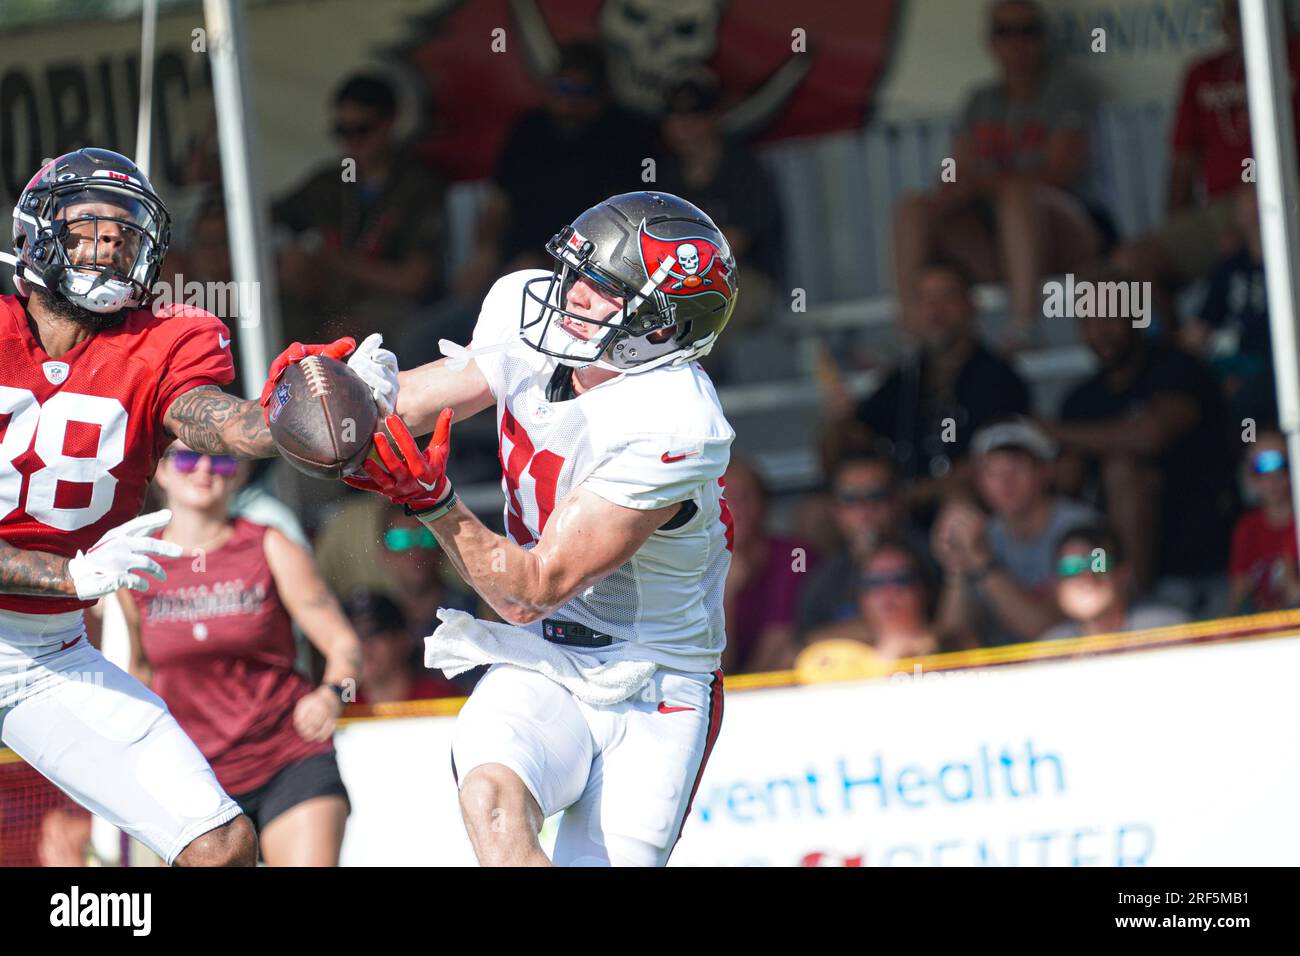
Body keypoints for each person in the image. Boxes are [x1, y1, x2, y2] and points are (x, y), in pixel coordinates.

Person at [302, 191, 738, 867]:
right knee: (491, 797)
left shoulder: (674, 421)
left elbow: (533, 588)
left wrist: (434, 502)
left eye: (603, 288)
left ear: (661, 328)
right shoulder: (526, 307)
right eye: (579, 271)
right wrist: (330, 400)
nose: (573, 294)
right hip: (540, 656)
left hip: (654, 680)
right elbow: (422, 398)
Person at [0, 147, 394, 867]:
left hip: (40, 656)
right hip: (55, 606)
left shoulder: (167, 336)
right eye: (89, 228)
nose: (109, 246)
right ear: (34, 235)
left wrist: (314, 406)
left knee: (218, 845)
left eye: (123, 234)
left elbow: (221, 422)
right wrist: (64, 577)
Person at [118, 442, 360, 866]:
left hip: (288, 759)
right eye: (189, 457)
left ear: (240, 472)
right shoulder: (136, 567)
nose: (205, 469)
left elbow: (345, 646)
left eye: (221, 457)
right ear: (160, 471)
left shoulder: (271, 546)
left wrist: (333, 695)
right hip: (189, 776)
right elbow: (139, 671)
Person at [892, 0, 1106, 347]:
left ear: (1043, 38)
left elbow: (1059, 173)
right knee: (912, 207)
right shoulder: (980, 101)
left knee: (1018, 193)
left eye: (1028, 32)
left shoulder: (1066, 89)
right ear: (991, 41)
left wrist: (983, 183)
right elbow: (954, 173)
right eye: (1005, 32)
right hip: (994, 241)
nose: (1017, 42)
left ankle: (1025, 324)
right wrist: (955, 189)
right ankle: (910, 327)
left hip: (1066, 231)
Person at [1109, 1, 1300, 315]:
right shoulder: (1203, 73)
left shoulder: (1294, 58)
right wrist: (1176, 223)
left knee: (1249, 215)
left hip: (1286, 201)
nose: (1240, 22)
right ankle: (1182, 353)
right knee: (1130, 262)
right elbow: (1182, 161)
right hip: (1218, 210)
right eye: (1234, 13)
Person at [1044, 314, 1236, 612]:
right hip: (1112, 554)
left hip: (1202, 552)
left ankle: (1131, 603)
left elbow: (1150, 436)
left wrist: (1048, 429)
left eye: (1108, 320)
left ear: (1135, 318)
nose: (1100, 332)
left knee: (1124, 469)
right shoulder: (1081, 398)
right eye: (1089, 323)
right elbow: (1067, 481)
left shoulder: (1179, 368)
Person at [823, 258, 1031, 514]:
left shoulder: (1000, 378)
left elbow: (998, 460)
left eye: (947, 296)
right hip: (902, 512)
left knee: (959, 501)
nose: (935, 311)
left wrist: (917, 493)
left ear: (972, 306)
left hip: (973, 513)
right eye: (925, 299)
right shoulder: (906, 377)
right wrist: (840, 422)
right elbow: (855, 442)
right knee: (820, 513)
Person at [274, 72, 447, 345]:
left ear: (390, 122)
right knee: (266, 310)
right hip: (328, 299)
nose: (351, 141)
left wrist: (337, 262)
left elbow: (413, 281)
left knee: (341, 333)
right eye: (342, 131)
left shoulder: (419, 186)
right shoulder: (328, 183)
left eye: (363, 130)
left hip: (394, 306)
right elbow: (263, 218)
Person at [932, 418, 1097, 646]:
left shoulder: (1084, 527)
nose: (1005, 482)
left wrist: (982, 562)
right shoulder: (981, 533)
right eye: (993, 472)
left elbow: (1047, 629)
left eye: (1017, 468)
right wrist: (956, 566)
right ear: (979, 482)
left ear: (1046, 471)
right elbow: (953, 637)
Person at [796, 454, 929, 643]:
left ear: (898, 501)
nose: (866, 508)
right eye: (851, 499)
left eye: (877, 496)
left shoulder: (931, 557)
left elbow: (948, 633)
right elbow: (802, 645)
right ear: (836, 510)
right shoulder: (823, 579)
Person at [720, 456, 818, 674]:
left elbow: (780, 639)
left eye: (745, 495)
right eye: (725, 498)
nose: (737, 507)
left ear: (764, 502)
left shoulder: (796, 554)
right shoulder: (692, 569)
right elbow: (714, 667)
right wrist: (726, 593)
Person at [796, 543, 953, 673]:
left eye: (901, 580)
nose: (888, 591)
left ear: (923, 590)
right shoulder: (837, 663)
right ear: (861, 598)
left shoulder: (953, 645)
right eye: (875, 583)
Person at [1041, 525, 1189, 640]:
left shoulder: (1168, 630)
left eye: (1098, 564)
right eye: (1070, 567)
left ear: (1124, 574)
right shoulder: (1050, 650)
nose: (1086, 577)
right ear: (1055, 585)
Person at [343, 589, 461, 704]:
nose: (363, 646)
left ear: (404, 639)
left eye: (373, 633)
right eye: (353, 636)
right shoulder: (343, 703)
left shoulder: (439, 696)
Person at [1228, 431, 1300, 614]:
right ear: (1249, 476)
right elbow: (1238, 596)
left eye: (1281, 466)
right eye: (1261, 468)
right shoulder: (1247, 529)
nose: (1272, 479)